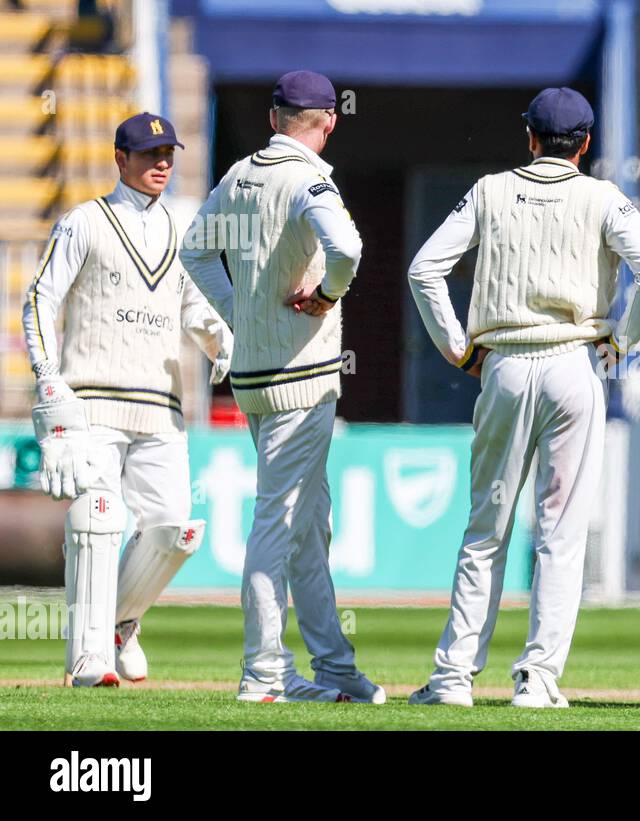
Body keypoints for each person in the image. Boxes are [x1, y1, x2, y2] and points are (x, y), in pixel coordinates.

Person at [405, 87, 640, 709]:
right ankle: (538, 679)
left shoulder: (491, 189)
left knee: (485, 529)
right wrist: (619, 343)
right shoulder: (605, 197)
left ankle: (451, 679)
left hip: (503, 366)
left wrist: (457, 348)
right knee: (560, 532)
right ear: (585, 143)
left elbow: (424, 268)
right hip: (575, 366)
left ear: (529, 136)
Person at [181, 70, 379, 704]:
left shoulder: (238, 174)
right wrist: (325, 295)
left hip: (253, 376)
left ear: (273, 118)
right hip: (301, 377)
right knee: (279, 520)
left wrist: (239, 313)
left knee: (307, 523)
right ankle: (264, 672)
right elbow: (346, 248)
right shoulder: (309, 178)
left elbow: (195, 251)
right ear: (328, 122)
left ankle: (335, 665)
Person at [22, 112, 231, 687]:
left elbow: (194, 308)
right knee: (98, 518)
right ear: (121, 159)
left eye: (168, 153)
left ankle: (118, 624)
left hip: (161, 406)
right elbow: (40, 302)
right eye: (148, 154)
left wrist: (220, 338)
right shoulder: (84, 222)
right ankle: (88, 660)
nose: (161, 163)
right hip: (90, 402)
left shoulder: (182, 232)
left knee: (175, 532)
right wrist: (48, 379)